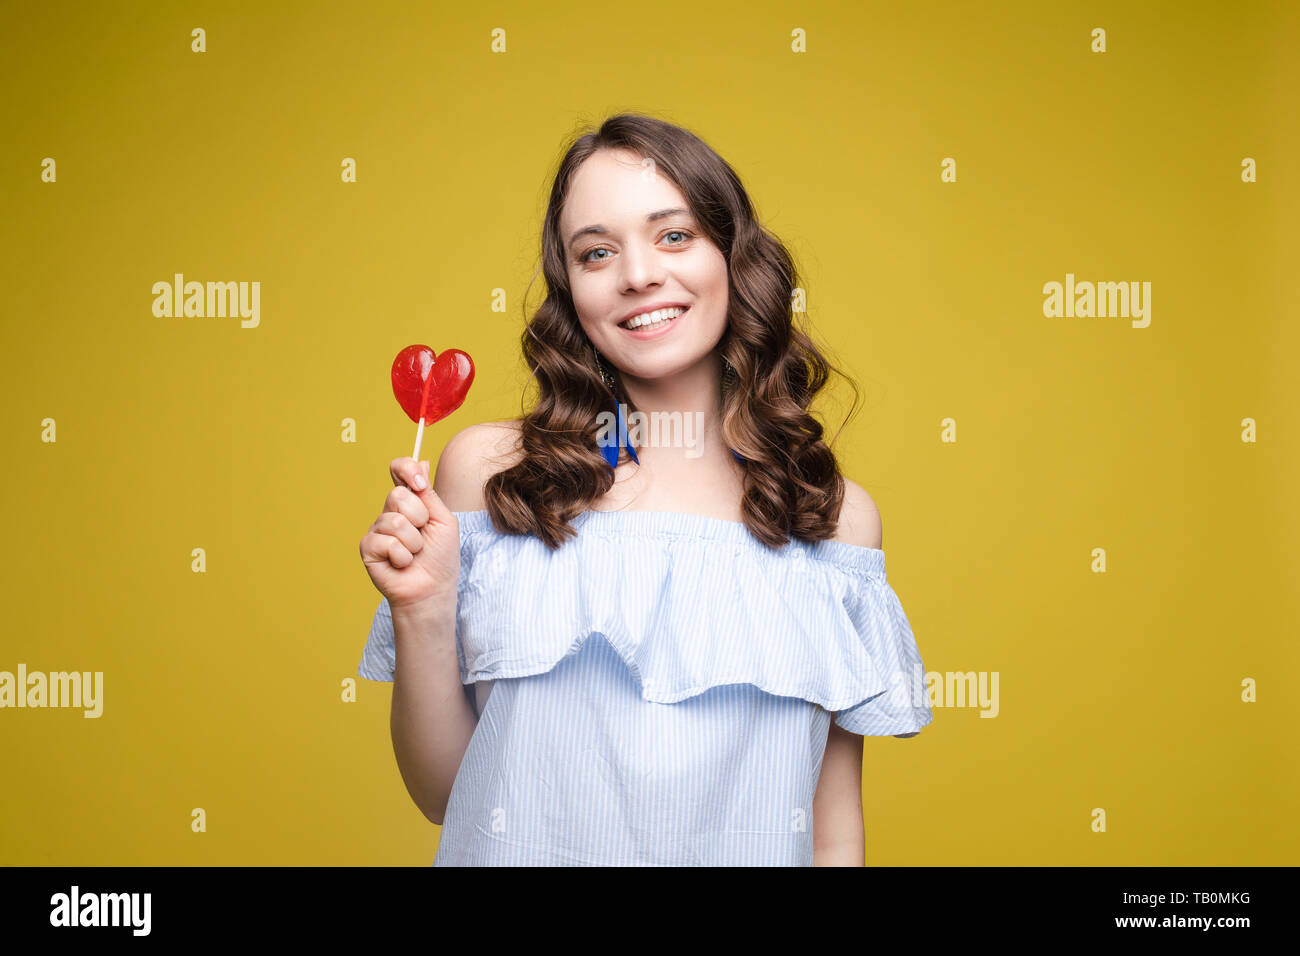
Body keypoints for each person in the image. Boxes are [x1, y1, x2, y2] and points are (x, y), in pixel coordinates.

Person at [357, 112, 934, 866]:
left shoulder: (831, 519)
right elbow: (446, 796)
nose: (637, 274)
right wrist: (424, 609)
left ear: (733, 257)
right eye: (596, 252)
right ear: (573, 290)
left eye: (673, 236)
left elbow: (831, 829)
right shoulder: (493, 473)